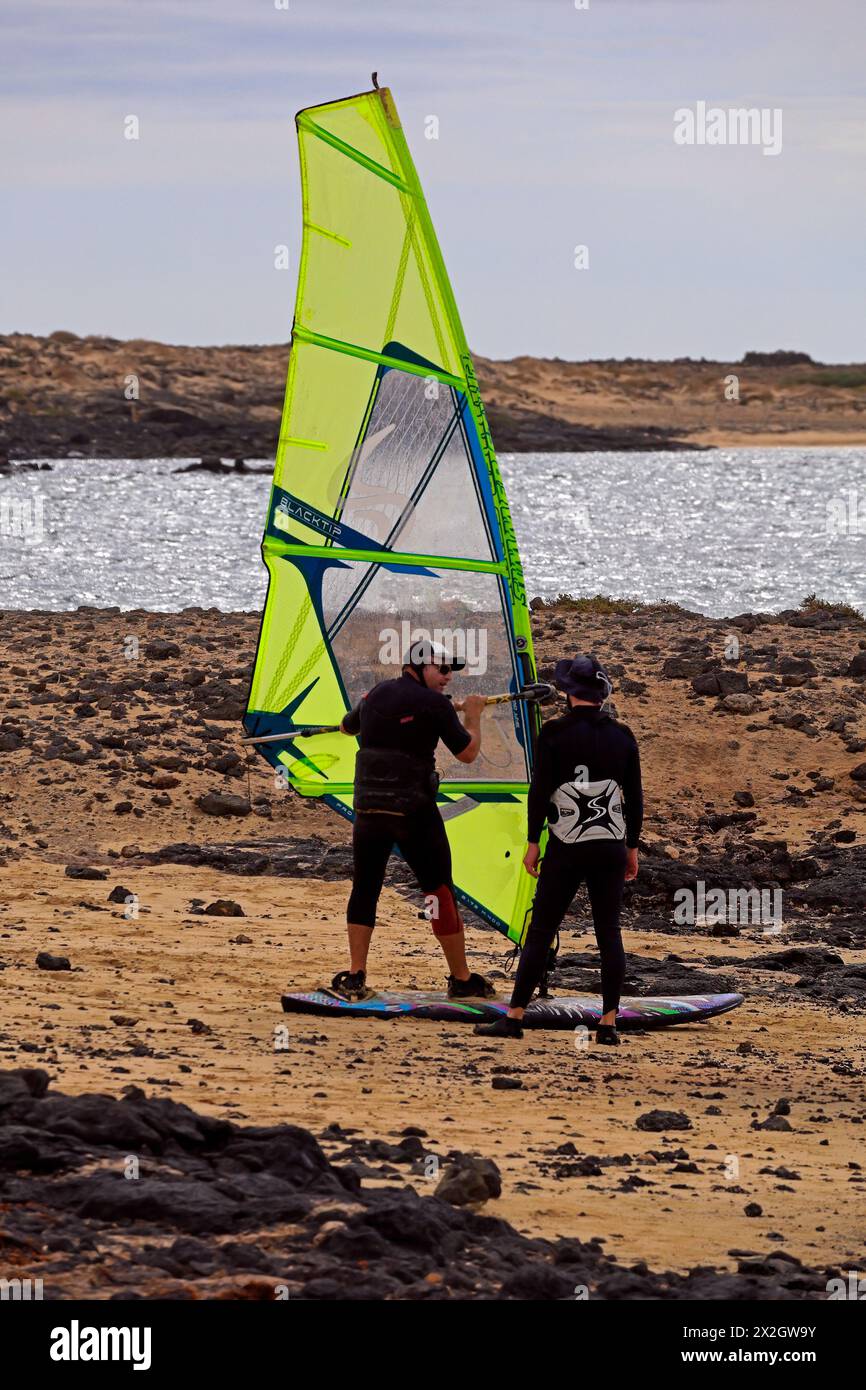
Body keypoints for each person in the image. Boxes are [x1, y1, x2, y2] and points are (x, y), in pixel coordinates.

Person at [474, 654, 643, 1045]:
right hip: (609, 847)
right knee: (609, 932)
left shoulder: (552, 733)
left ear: (567, 693)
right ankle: (608, 1024)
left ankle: (514, 1018)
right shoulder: (623, 737)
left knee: (542, 930)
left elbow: (539, 793)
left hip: (566, 847)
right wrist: (631, 847)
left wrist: (533, 842)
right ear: (601, 693)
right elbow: (634, 798)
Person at [331, 638, 495, 1001]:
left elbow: (347, 727)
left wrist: (433, 712)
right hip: (414, 814)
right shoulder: (435, 704)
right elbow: (468, 752)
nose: (448, 677)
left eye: (451, 670)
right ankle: (461, 978)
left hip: (370, 813)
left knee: (365, 888)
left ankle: (355, 975)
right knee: (438, 892)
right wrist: (472, 716)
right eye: (442, 669)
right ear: (417, 667)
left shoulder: (374, 695)